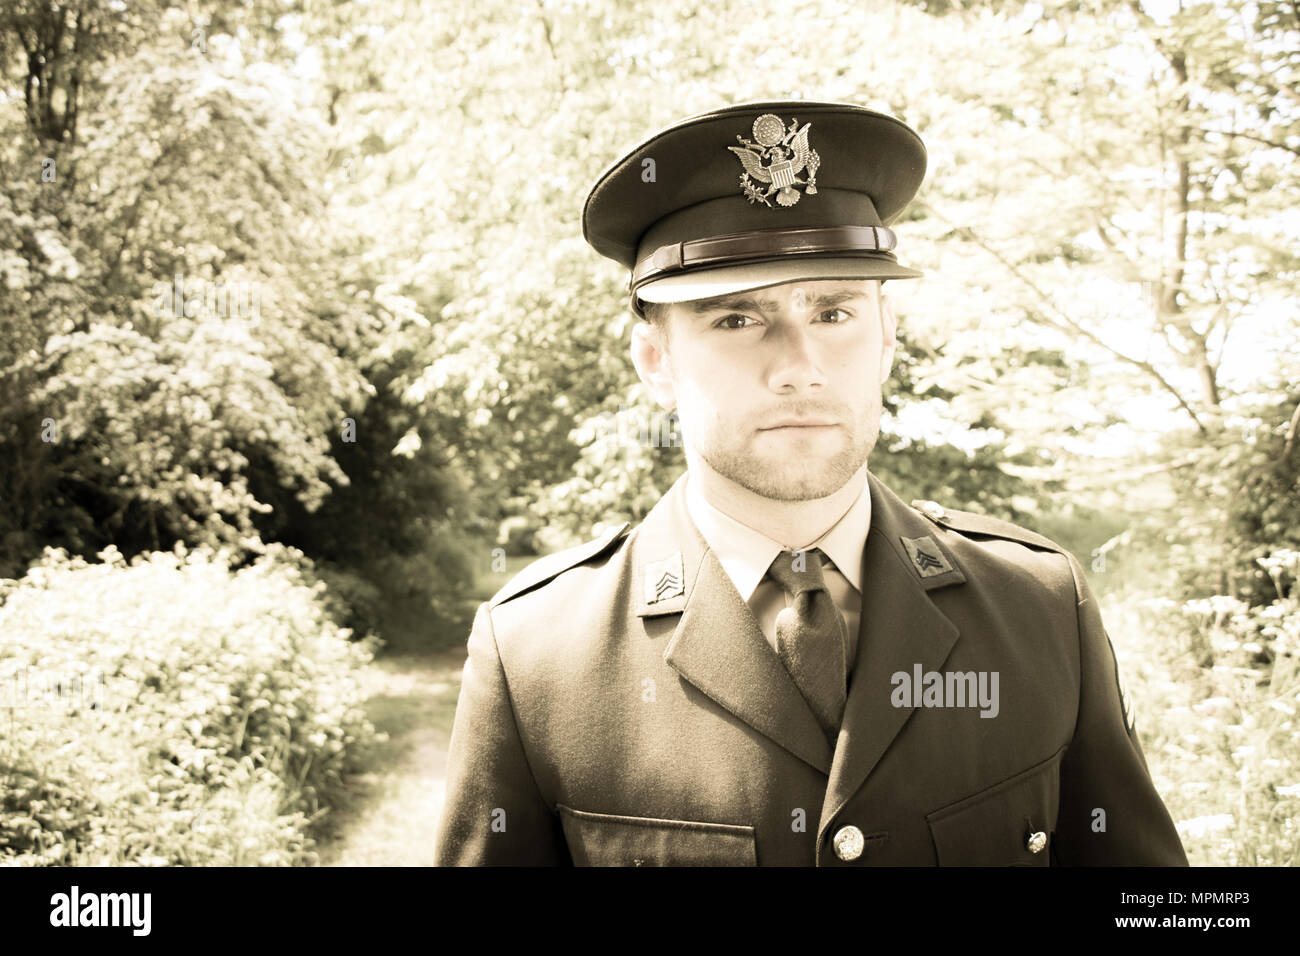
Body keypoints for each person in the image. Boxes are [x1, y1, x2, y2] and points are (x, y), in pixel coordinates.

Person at [433, 100, 1188, 866]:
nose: (799, 366)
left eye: (833, 312)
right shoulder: (536, 655)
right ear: (655, 362)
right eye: (736, 319)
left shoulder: (1039, 607)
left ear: (887, 337)